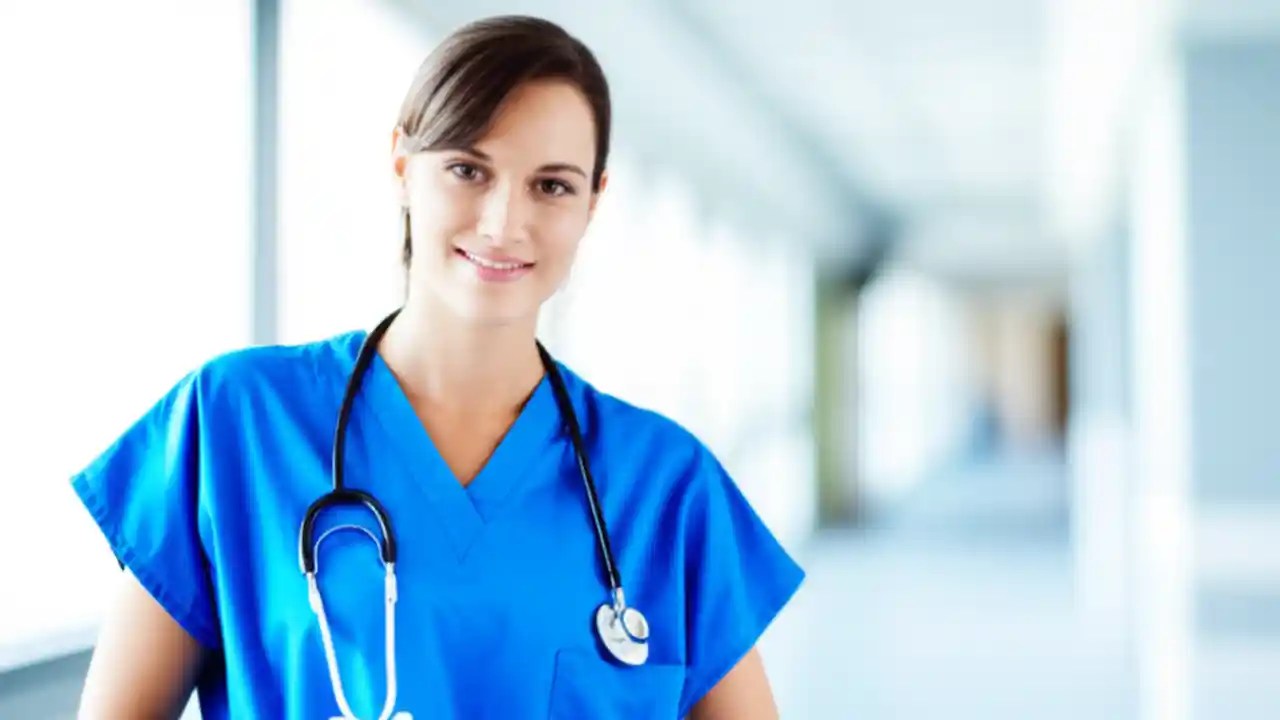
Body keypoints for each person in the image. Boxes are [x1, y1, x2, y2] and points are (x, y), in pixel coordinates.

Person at [72, 14, 804, 720]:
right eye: (467, 169)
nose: (502, 222)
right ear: (402, 166)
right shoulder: (237, 422)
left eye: (551, 185)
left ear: (593, 203)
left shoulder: (665, 486)